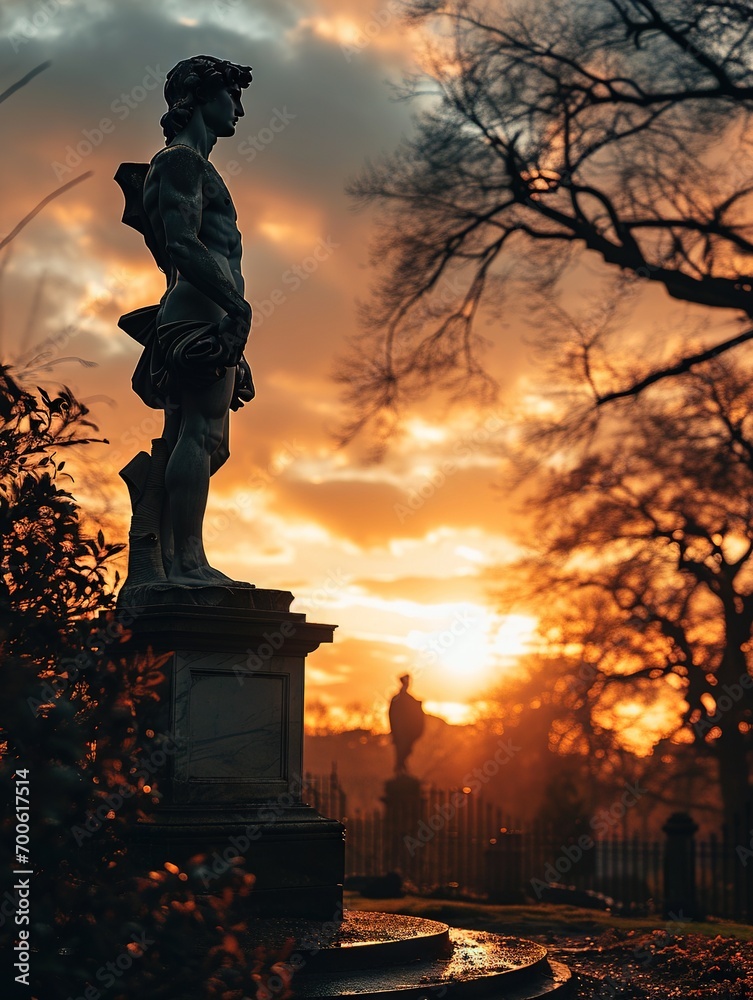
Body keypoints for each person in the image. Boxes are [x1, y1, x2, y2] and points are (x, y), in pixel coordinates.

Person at [115, 55, 254, 587]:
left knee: (209, 444)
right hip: (199, 317)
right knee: (197, 434)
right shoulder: (178, 162)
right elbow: (181, 243)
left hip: (208, 316)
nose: (238, 110)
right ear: (198, 97)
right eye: (232, 97)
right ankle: (188, 564)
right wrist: (236, 306)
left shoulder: (193, 164)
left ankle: (160, 546)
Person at [388, 674, 425, 775]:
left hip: (408, 733)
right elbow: (393, 716)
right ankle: (400, 770)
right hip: (401, 732)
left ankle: (402, 770)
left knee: (406, 752)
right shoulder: (397, 699)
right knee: (401, 753)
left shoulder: (408, 698)